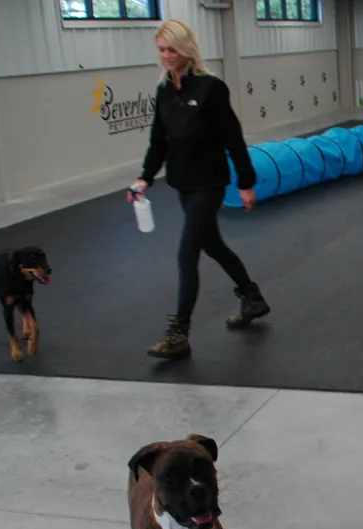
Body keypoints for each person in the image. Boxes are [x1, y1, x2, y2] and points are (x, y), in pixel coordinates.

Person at [128, 19, 270, 360]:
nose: (166, 56)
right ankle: (252, 298)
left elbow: (233, 139)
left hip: (209, 183)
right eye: (161, 50)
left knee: (186, 253)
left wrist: (246, 183)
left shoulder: (210, 88)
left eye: (172, 49)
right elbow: (157, 142)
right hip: (183, 183)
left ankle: (179, 334)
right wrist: (145, 177)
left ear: (187, 49)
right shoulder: (163, 91)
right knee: (214, 245)